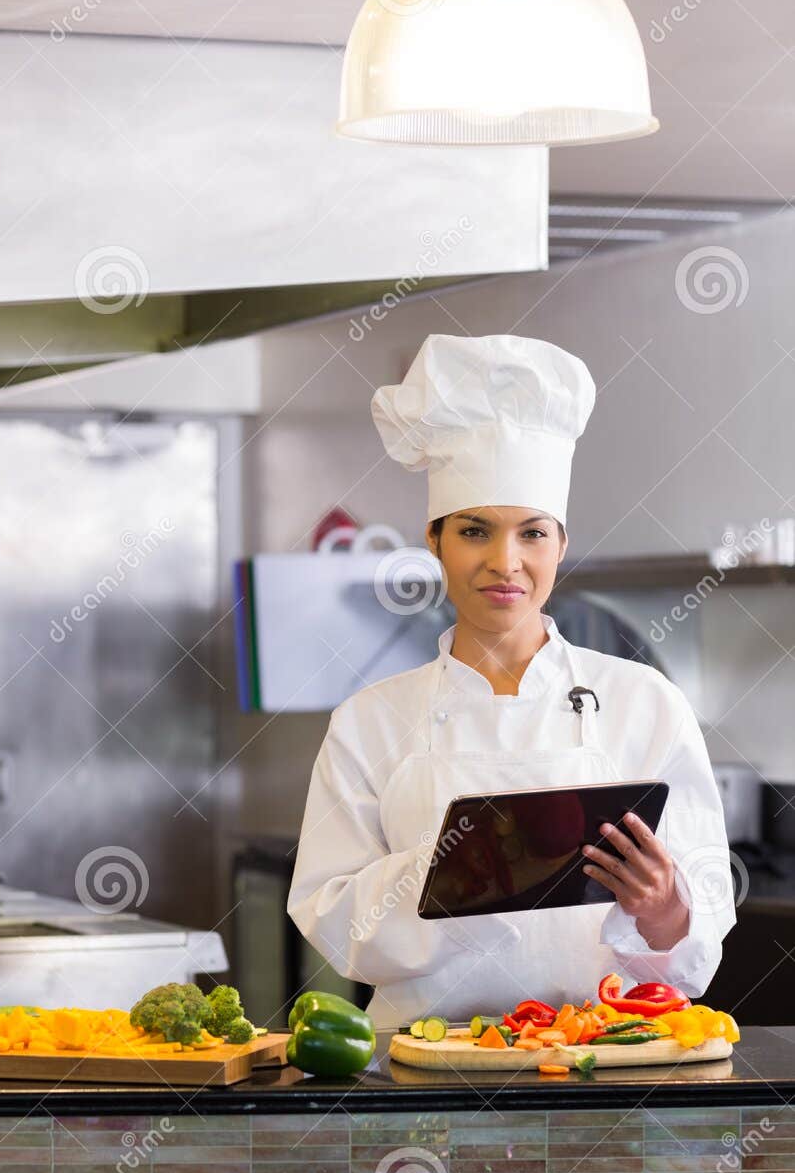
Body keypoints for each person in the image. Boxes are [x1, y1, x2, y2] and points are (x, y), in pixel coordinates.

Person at [288, 333, 736, 1029]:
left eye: (531, 533)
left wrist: (665, 907)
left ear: (559, 543)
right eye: (473, 531)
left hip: (602, 1065)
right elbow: (332, 923)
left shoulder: (644, 704)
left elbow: (690, 952)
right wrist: (452, 880)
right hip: (418, 1071)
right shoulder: (368, 721)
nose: (505, 562)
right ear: (433, 540)